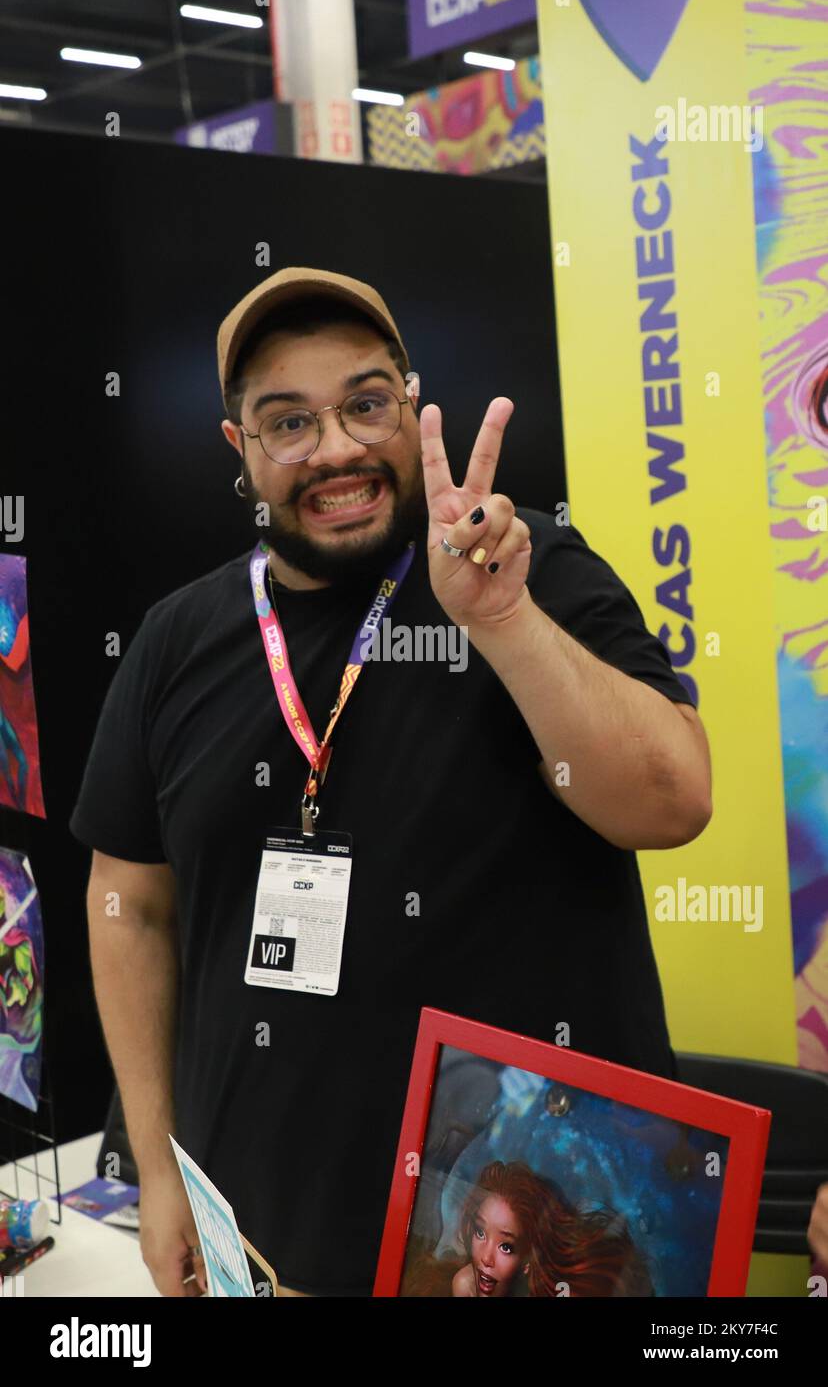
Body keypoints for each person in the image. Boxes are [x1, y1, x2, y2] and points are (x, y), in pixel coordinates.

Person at [70, 266, 712, 1298]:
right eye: (289, 422)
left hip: (524, 1244)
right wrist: (155, 1167)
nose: (337, 448)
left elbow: (672, 801)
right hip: (271, 1247)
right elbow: (129, 906)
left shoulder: (530, 569)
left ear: (411, 406)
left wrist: (501, 622)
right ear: (241, 451)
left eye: (366, 403)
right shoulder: (174, 641)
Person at [403, 1159, 651, 1297]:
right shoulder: (466, 1284)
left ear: (529, 1258)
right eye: (480, 1233)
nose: (486, 1258)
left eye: (506, 1247)